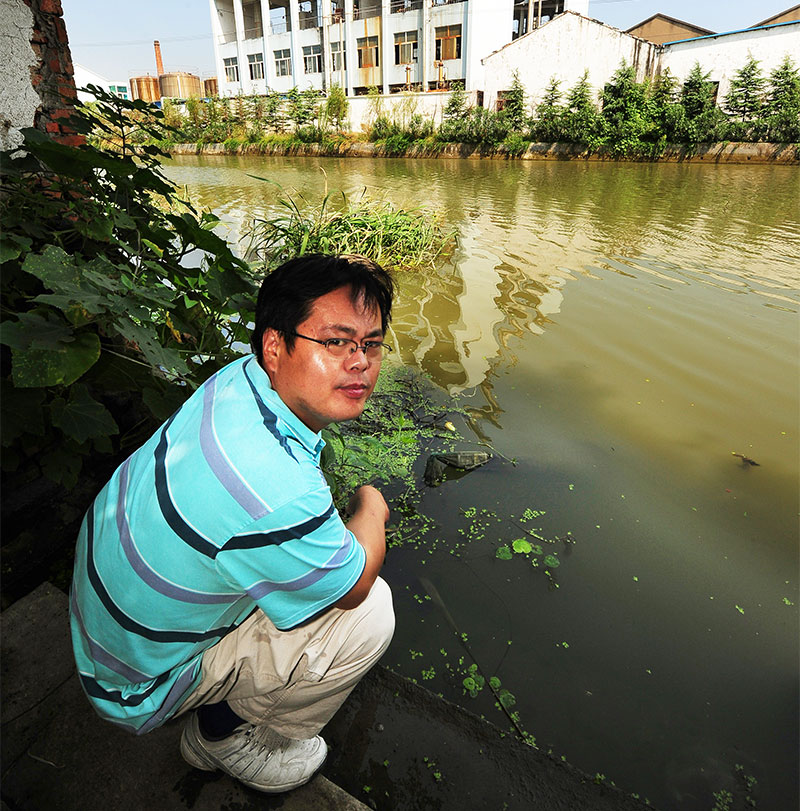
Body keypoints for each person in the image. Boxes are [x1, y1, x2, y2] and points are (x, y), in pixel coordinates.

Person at [69, 254, 396, 794]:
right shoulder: (280, 488)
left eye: (372, 343)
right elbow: (355, 584)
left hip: (96, 621)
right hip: (131, 683)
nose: (360, 361)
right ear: (275, 345)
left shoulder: (239, 381)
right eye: (336, 342)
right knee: (370, 615)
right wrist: (372, 505)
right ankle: (222, 738)